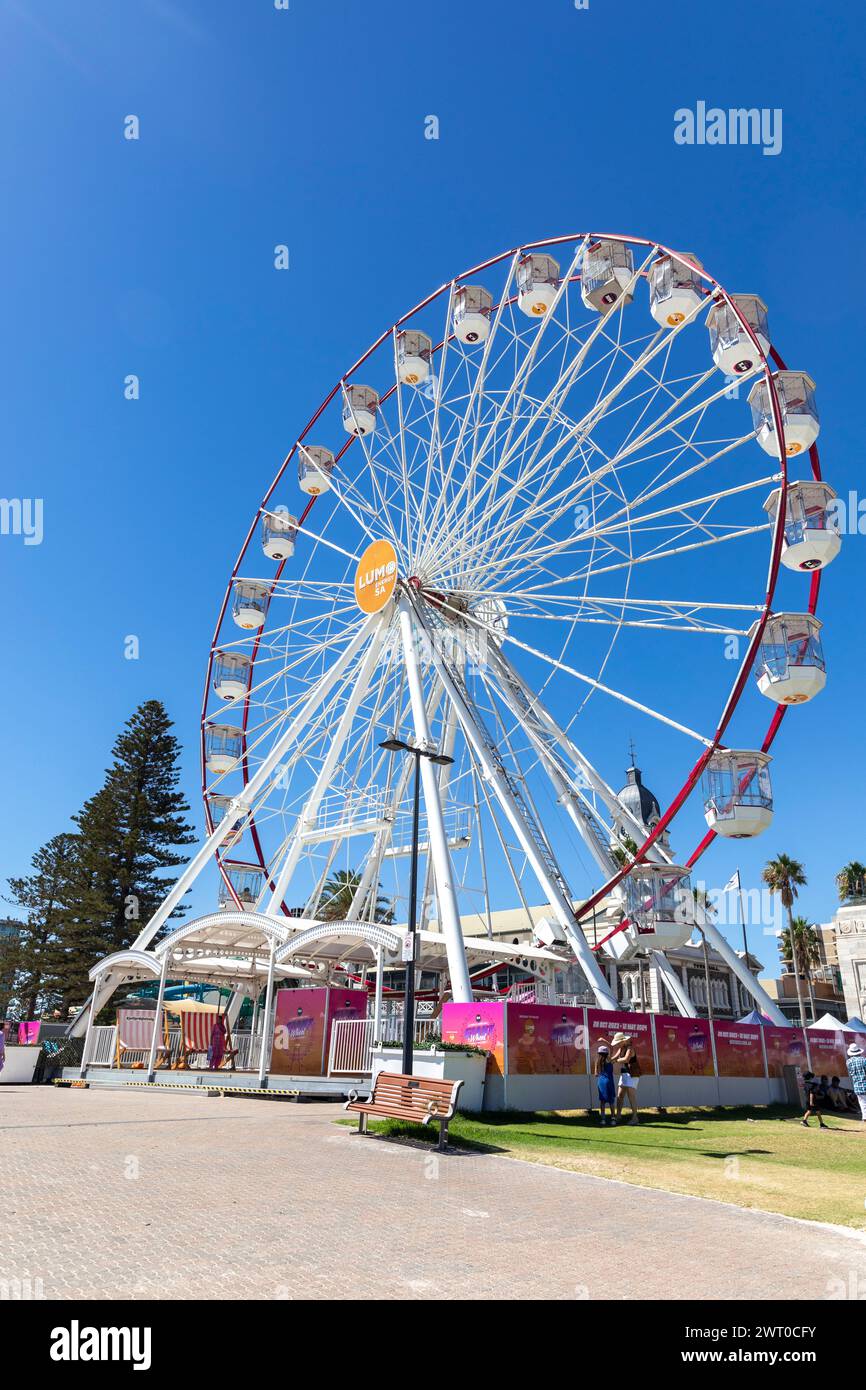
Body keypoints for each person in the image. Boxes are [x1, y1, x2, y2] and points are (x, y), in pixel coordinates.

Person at [611, 1030, 641, 1125]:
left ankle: (635, 1118)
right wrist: (607, 1060)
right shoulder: (621, 1048)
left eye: (618, 1042)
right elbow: (614, 1058)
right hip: (624, 1074)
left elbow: (626, 1059)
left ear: (623, 1041)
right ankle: (618, 1116)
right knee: (619, 1096)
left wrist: (615, 1061)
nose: (617, 1044)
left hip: (632, 1075)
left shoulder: (630, 1048)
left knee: (631, 1096)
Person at [594, 1043, 617, 1126]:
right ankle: (613, 1119)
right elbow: (611, 1047)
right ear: (607, 1053)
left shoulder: (598, 1061)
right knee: (611, 1101)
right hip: (609, 1082)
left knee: (602, 1102)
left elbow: (596, 1074)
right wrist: (604, 1040)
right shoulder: (609, 1060)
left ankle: (603, 1119)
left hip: (601, 1082)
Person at [845, 1043, 866, 1121]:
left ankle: (864, 1117)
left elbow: (851, 1073)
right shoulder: (864, 1060)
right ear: (859, 1052)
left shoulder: (848, 1062)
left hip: (857, 1085)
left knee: (862, 1102)